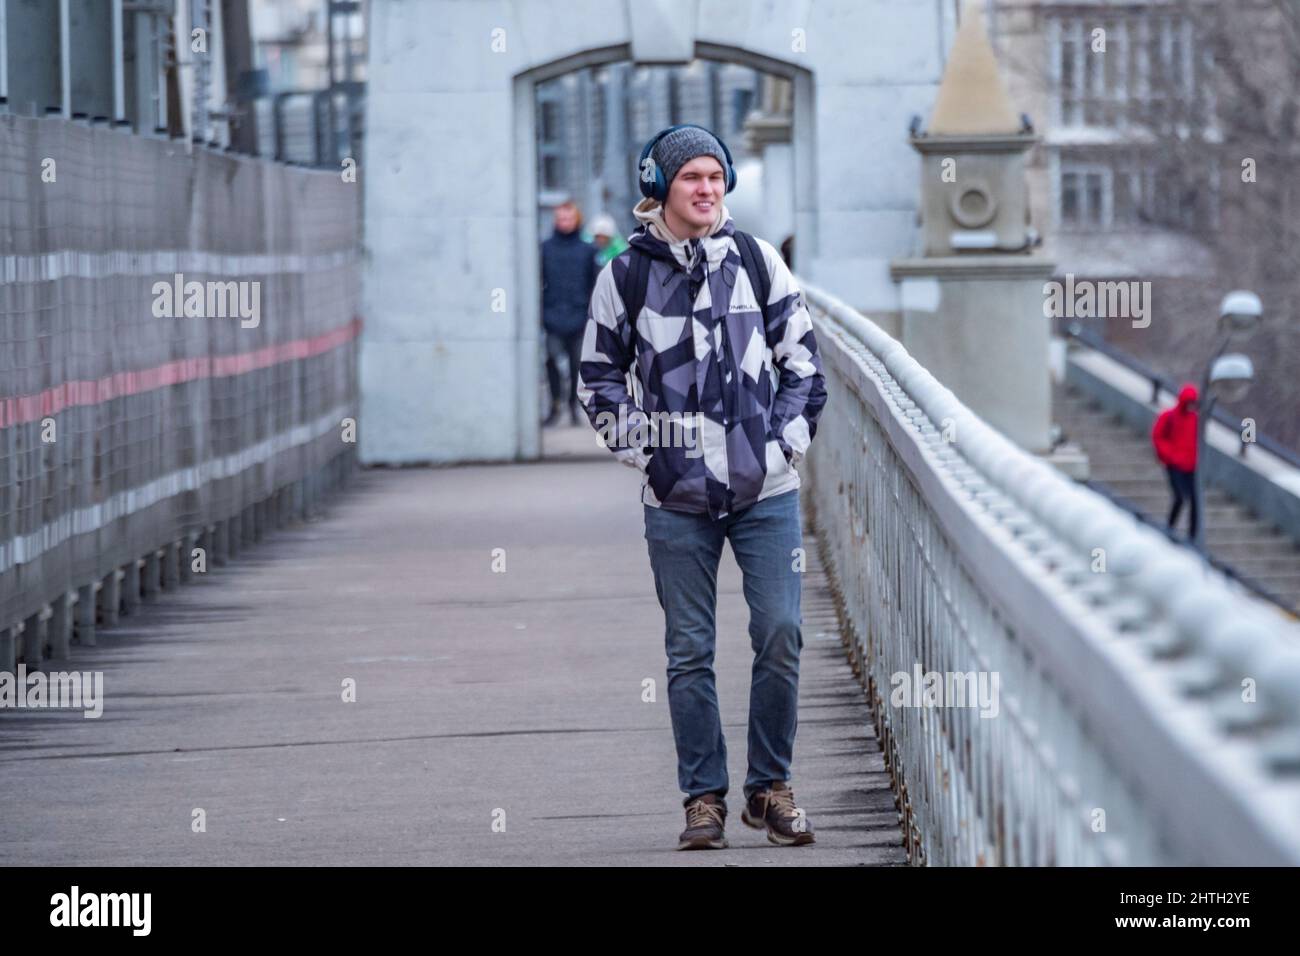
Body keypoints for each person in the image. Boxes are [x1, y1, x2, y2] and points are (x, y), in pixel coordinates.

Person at [576, 124, 828, 850]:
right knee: (689, 650)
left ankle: (771, 788)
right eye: (692, 177)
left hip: (765, 490)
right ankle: (704, 799)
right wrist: (646, 452)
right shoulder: (624, 276)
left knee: (780, 631)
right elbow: (597, 377)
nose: (708, 189)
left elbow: (803, 362)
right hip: (675, 499)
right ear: (659, 187)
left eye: (717, 176)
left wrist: (782, 444)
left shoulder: (757, 262)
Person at [540, 200, 599, 426]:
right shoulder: (545, 249)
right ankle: (555, 405)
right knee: (551, 360)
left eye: (568, 218)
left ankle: (574, 407)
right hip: (552, 316)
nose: (564, 222)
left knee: (577, 364)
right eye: (561, 218)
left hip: (580, 317)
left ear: (577, 220)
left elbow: (595, 284)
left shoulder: (588, 251)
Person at [1152, 382, 1200, 541]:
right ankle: (1170, 527)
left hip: (1190, 466)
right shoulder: (1169, 416)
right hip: (1175, 464)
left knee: (1195, 500)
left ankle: (1193, 536)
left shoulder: (1195, 419)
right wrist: (1169, 455)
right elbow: (1158, 436)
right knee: (1180, 496)